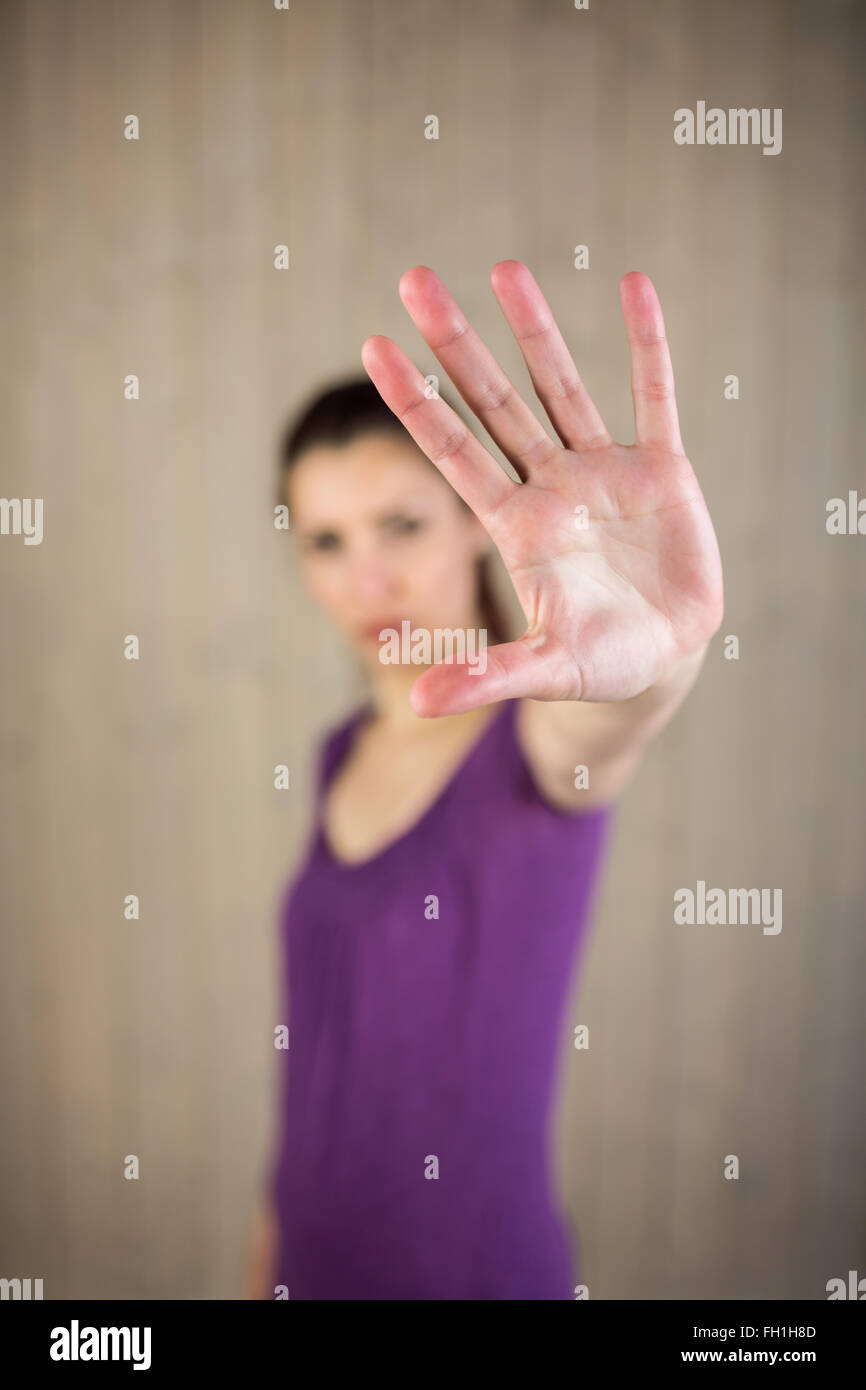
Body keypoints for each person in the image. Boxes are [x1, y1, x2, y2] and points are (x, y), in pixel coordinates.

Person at [243, 260, 724, 1299]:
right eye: (325, 541)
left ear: (472, 518)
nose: (364, 579)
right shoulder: (339, 755)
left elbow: (613, 717)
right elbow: (316, 1078)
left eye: (401, 525)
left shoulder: (534, 741)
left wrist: (659, 649)